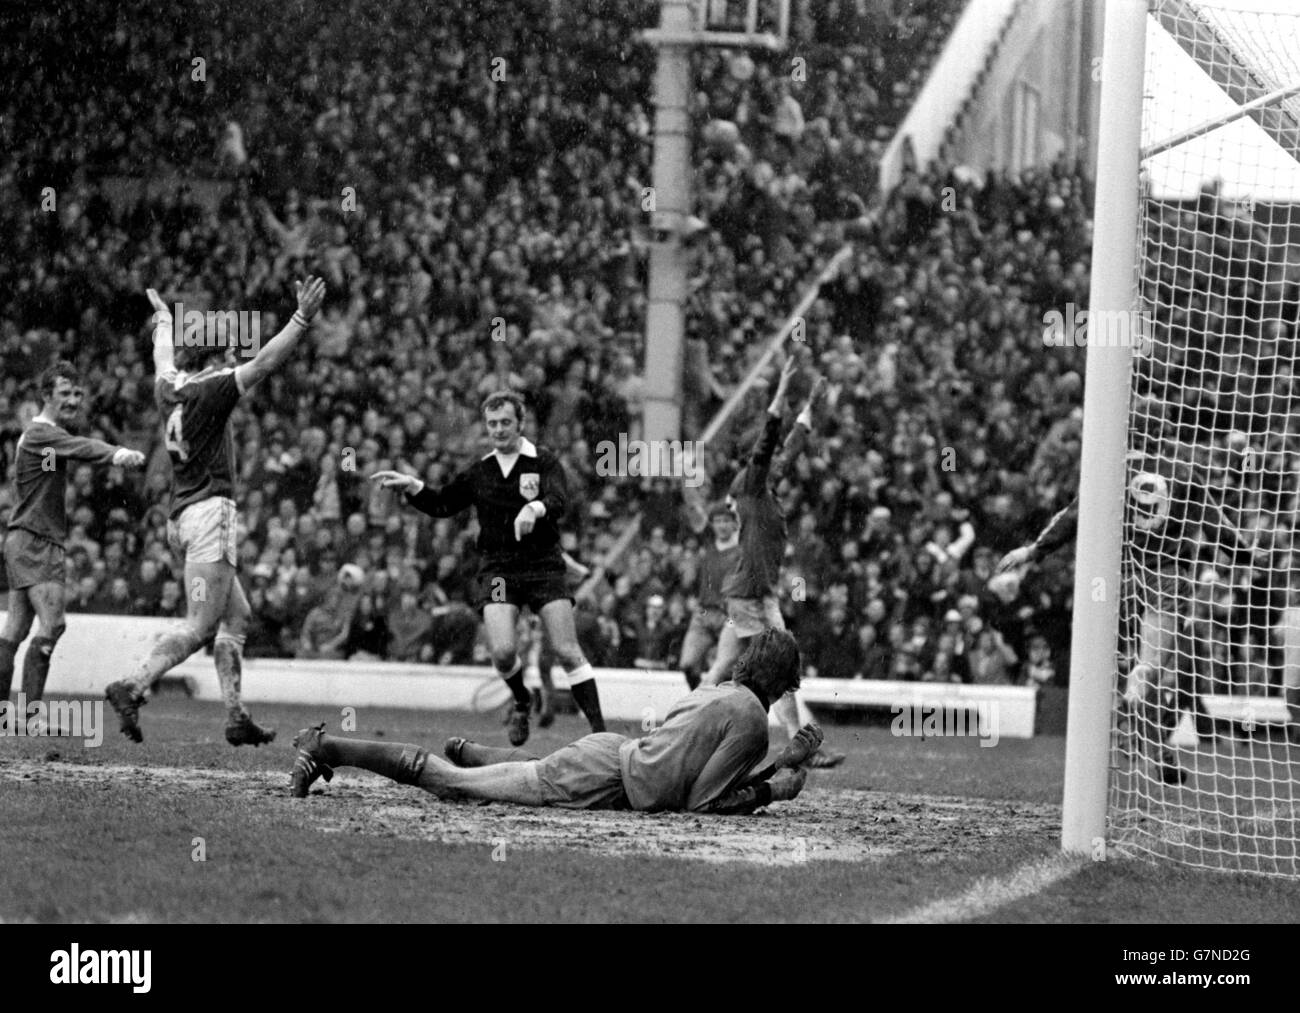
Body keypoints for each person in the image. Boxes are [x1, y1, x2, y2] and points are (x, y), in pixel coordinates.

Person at [105, 279, 326, 744]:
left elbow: (161, 355)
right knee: (201, 625)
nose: (233, 359)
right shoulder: (215, 389)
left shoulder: (170, 387)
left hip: (181, 515)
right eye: (228, 352)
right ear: (218, 355)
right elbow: (265, 363)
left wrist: (164, 319)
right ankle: (133, 684)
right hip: (210, 513)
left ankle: (235, 716)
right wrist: (301, 318)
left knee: (237, 615)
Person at [290, 628, 818, 814]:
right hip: (609, 777)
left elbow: (699, 778)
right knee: (452, 788)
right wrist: (776, 789)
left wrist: (775, 770)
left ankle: (480, 754)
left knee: (537, 769)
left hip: (611, 759)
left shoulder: (718, 689)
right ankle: (329, 745)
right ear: (786, 679)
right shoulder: (753, 720)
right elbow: (703, 802)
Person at [995, 459, 1251, 783]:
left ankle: (1135, 728)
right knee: (1151, 667)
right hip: (1168, 574)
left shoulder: (1111, 464)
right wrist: (1248, 556)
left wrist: (1034, 550)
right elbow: (1218, 526)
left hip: (1116, 578)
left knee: (1121, 663)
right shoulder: (1184, 472)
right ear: (1167, 428)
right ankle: (1149, 731)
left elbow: (1073, 515)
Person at [372, 391, 604, 747]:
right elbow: (443, 504)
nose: (498, 430)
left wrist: (535, 509)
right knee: (502, 653)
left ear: (520, 423)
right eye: (492, 424)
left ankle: (601, 735)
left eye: (505, 422)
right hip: (499, 571)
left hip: (543, 566)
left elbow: (560, 500)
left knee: (568, 650)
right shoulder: (481, 471)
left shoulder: (543, 461)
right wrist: (414, 487)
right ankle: (522, 701)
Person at [703, 358, 845, 768]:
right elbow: (769, 443)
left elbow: (790, 444)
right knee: (778, 667)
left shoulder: (760, 490)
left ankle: (681, 726)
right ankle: (801, 749)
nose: (772, 464)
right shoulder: (751, 487)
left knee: (720, 670)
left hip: (750, 595)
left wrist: (810, 407)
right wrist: (781, 393)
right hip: (751, 597)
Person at [1, 362, 146, 723]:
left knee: (16, 630)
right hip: (35, 540)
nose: (73, 399)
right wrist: (116, 454)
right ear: (46, 395)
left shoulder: (45, 443)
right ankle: (31, 715)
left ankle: (4, 714)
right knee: (53, 624)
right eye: (64, 393)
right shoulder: (40, 432)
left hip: (26, 537)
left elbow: (54, 462)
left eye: (77, 393)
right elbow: (79, 447)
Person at [677, 501, 740, 690]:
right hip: (703, 614)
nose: (721, 525)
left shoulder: (742, 550)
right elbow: (693, 510)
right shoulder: (708, 543)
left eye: (726, 521)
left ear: (734, 524)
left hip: (728, 617)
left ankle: (713, 707)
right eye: (717, 521)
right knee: (687, 664)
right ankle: (700, 701)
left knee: (724, 669)